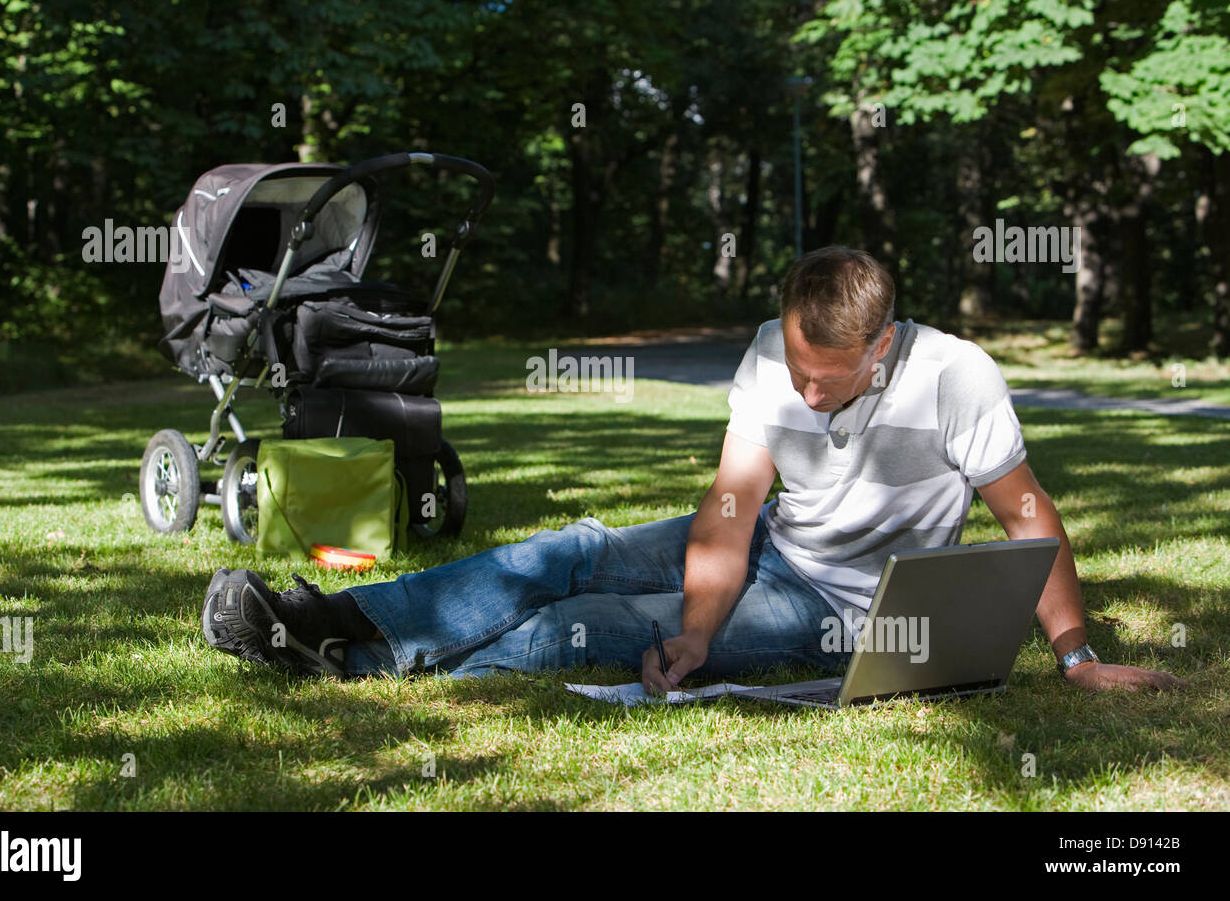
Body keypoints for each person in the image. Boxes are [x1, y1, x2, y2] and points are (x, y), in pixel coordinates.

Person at [202, 246, 1185, 695]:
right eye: (795, 370)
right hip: (765, 547)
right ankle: (344, 614)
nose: (803, 393)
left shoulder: (956, 377)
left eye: (827, 380)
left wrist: (1072, 654)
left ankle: (350, 665)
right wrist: (704, 623)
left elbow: (1026, 516)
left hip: (845, 608)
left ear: (881, 349)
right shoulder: (771, 352)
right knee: (568, 553)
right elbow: (729, 506)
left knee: (575, 628)